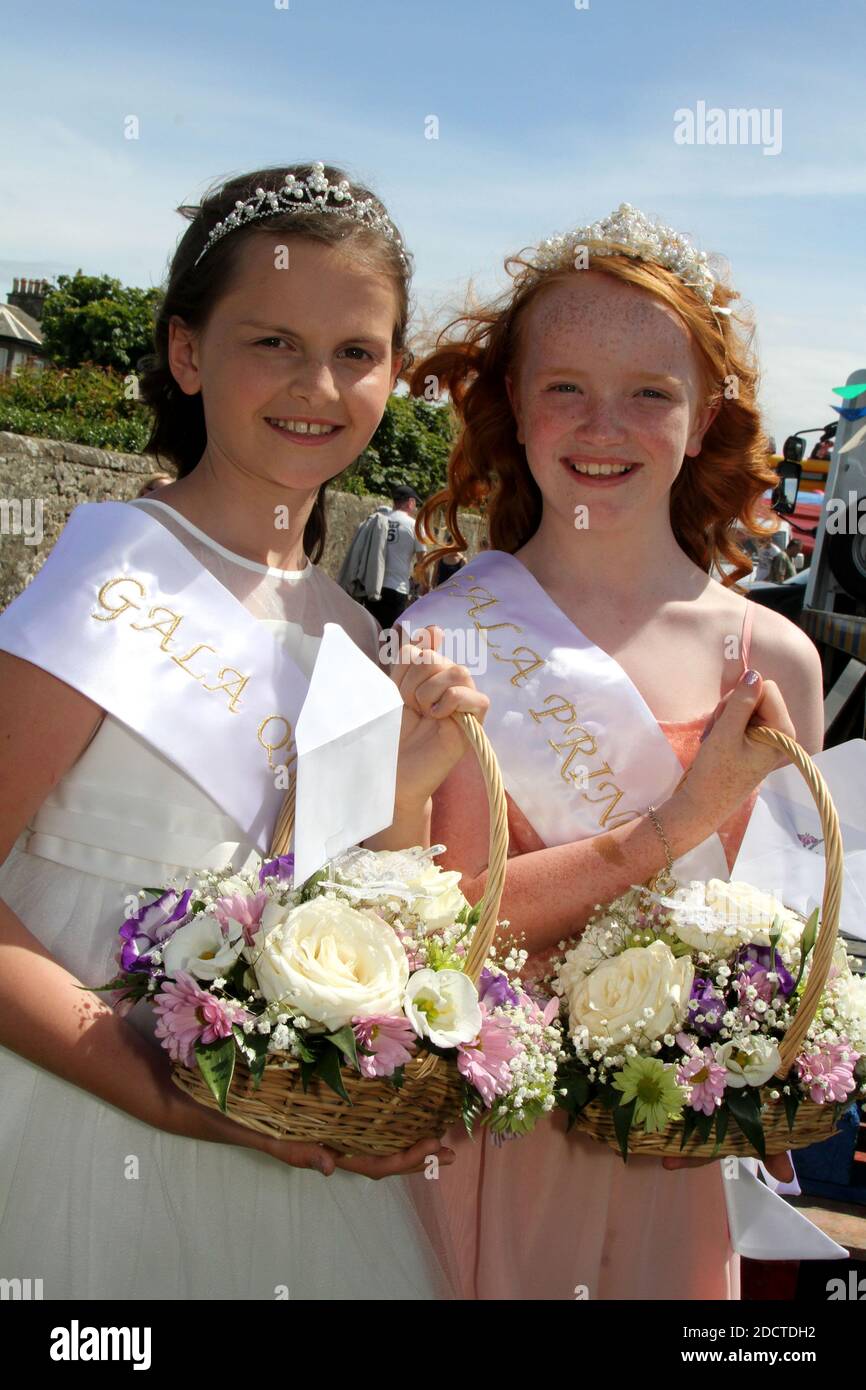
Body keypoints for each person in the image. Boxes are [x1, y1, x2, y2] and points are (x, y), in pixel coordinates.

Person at [0, 162, 488, 1301]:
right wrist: (165, 1094)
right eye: (270, 340)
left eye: (356, 352)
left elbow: (344, 910)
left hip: (276, 1153)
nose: (316, 384)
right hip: (67, 1111)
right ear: (185, 353)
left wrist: (407, 789)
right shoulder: (110, 575)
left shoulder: (358, 632)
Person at [400, 204, 823, 1300]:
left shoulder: (770, 656)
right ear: (511, 406)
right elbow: (426, 937)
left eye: (649, 392)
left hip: (670, 1155)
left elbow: (792, 936)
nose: (603, 427)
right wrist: (672, 824)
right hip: (486, 1139)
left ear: (703, 418)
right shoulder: (440, 638)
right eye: (564, 388)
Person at [365, 485, 427, 629]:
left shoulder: (380, 520)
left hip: (373, 586)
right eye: (415, 503)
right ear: (410, 502)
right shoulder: (415, 525)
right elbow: (422, 561)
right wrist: (425, 583)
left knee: (371, 635)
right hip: (397, 588)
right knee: (390, 639)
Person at [337, 502, 390, 604]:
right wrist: (374, 589)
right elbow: (377, 557)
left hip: (357, 581)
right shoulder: (381, 523)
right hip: (367, 586)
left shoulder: (366, 523)